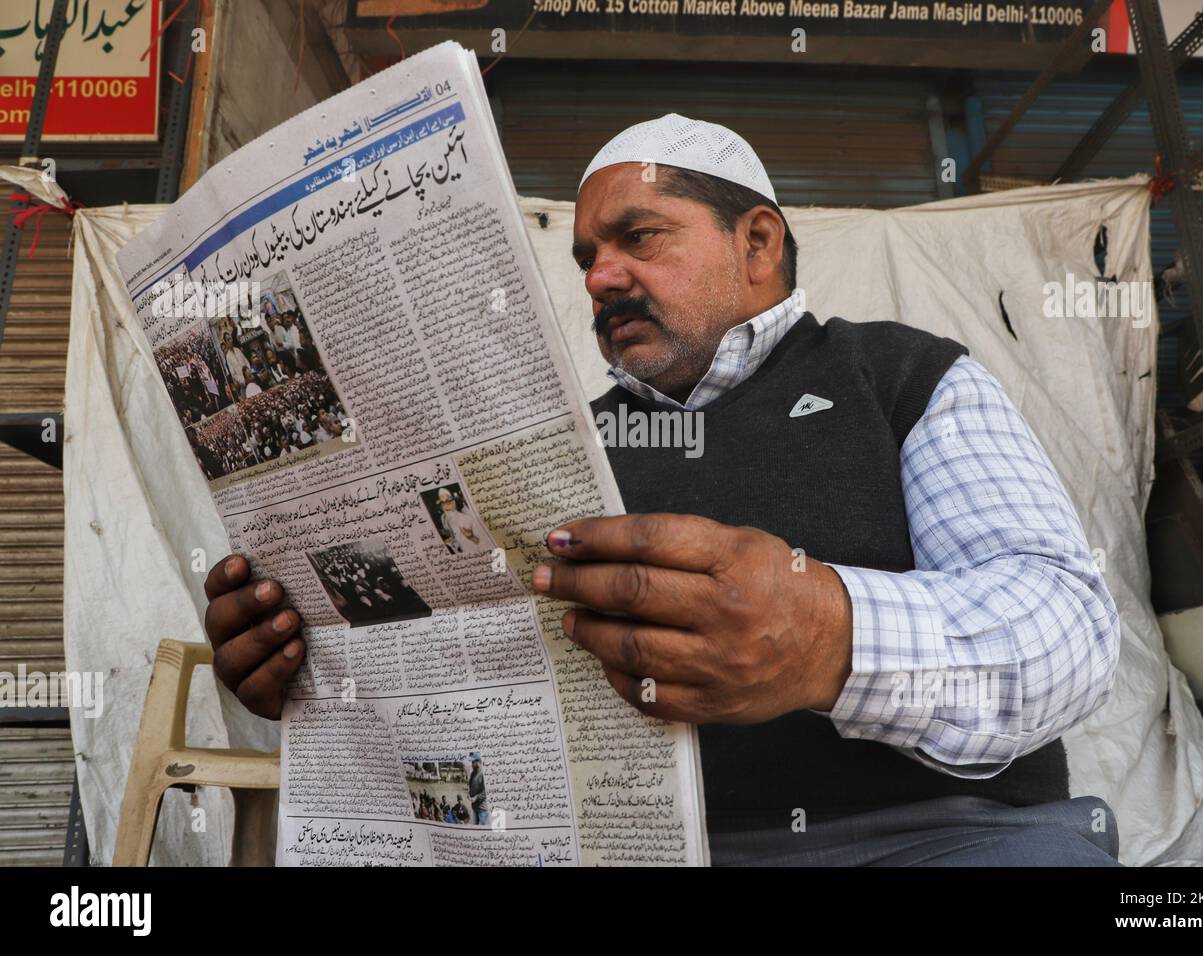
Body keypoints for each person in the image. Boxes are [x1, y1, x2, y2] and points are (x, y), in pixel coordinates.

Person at [200, 114, 1122, 867]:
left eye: (639, 236)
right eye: (588, 257)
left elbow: (1067, 629)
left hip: (943, 841)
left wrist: (824, 640)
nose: (600, 277)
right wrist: (305, 663)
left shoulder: (902, 376)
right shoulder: (565, 446)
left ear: (757, 242)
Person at [468, 756, 488, 826]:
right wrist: (469, 794)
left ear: (478, 762)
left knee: (482, 830)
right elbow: (470, 787)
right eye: (471, 762)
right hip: (474, 807)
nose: (472, 764)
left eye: (473, 762)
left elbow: (486, 792)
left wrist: (476, 797)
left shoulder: (483, 774)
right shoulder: (472, 774)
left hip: (482, 808)